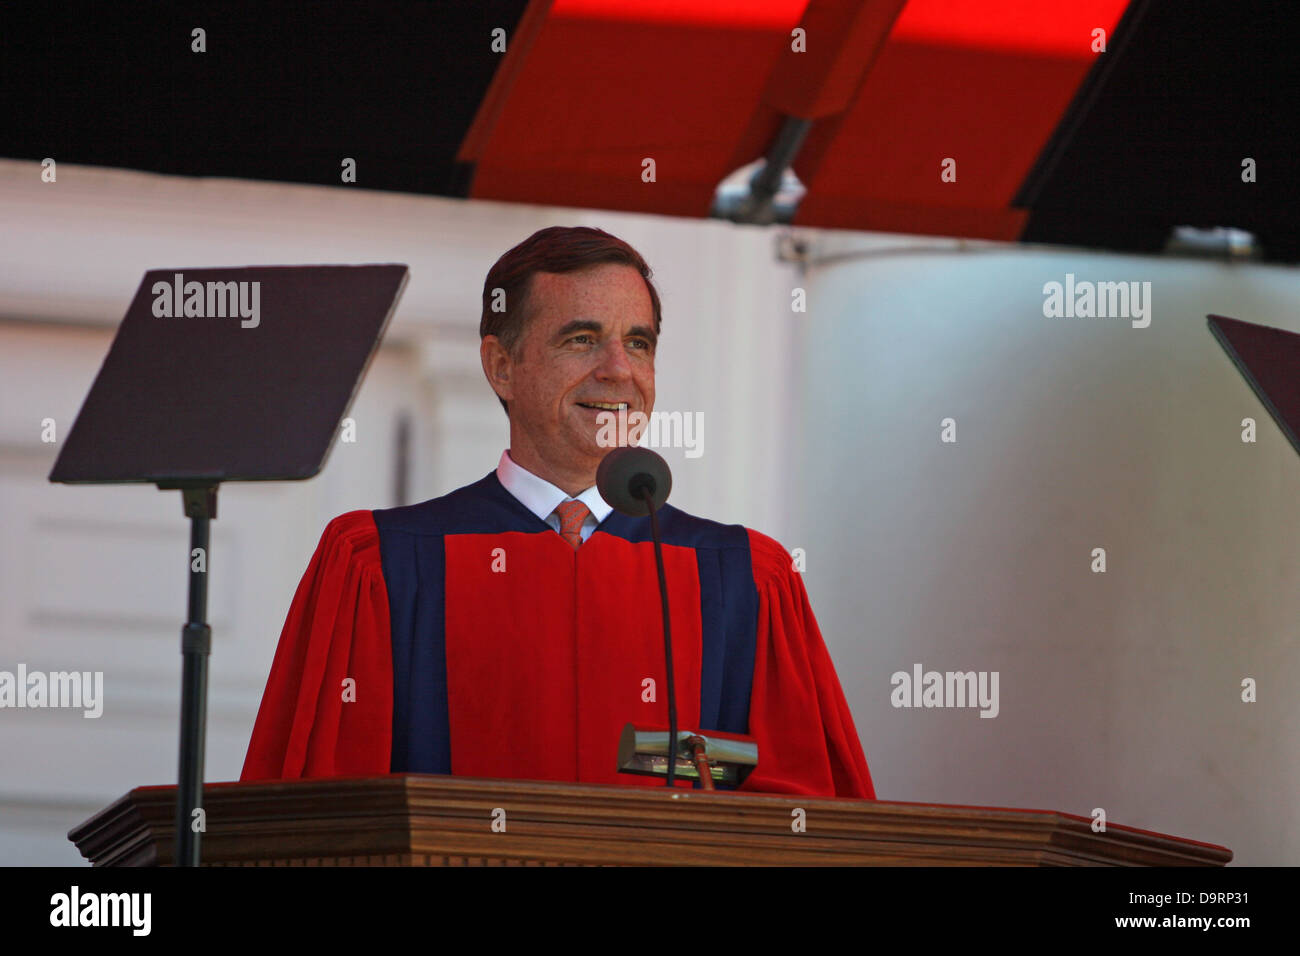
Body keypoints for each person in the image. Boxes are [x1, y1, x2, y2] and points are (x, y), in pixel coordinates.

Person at [240, 226, 875, 798]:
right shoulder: (383, 565)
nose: (619, 371)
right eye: (581, 339)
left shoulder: (745, 580)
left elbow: (806, 822)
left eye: (639, 343)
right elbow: (324, 818)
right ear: (502, 366)